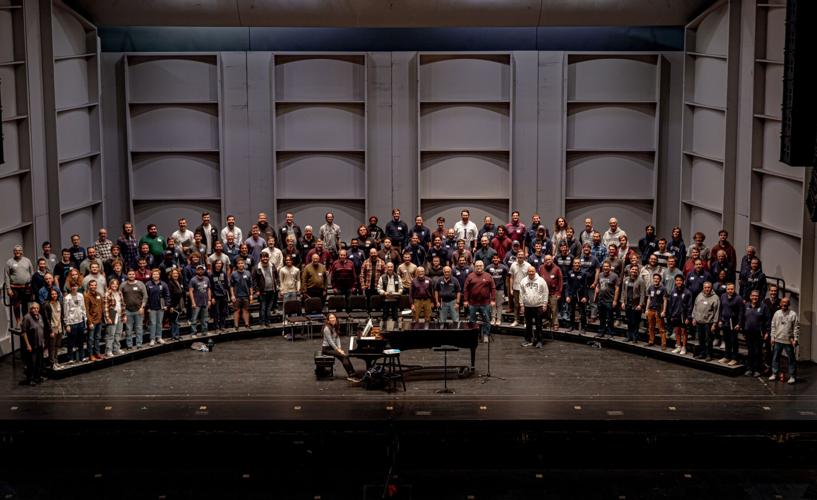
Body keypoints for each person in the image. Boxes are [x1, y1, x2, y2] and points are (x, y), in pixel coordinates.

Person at [463, 260, 496, 343]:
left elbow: (493, 288)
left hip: (485, 303)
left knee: (487, 319)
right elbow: (466, 289)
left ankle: (486, 335)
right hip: (473, 303)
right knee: (472, 320)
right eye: (477, 266)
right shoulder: (470, 276)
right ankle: (473, 335)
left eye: (480, 265)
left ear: (483, 266)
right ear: (474, 267)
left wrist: (493, 300)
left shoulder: (488, 276)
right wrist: (465, 300)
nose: (479, 267)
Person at [768, 297, 799, 384]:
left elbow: (796, 327)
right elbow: (773, 325)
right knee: (775, 358)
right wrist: (772, 337)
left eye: (786, 303)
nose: (784, 305)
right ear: (780, 304)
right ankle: (774, 373)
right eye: (783, 303)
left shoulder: (793, 314)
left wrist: (795, 339)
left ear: (788, 304)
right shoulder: (777, 313)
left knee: (791, 359)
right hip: (778, 339)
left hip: (788, 340)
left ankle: (792, 376)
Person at [322, 313, 359, 382]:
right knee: (343, 356)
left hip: (332, 348)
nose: (333, 319)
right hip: (326, 349)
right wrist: (338, 350)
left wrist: (339, 348)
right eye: (331, 318)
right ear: (328, 320)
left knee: (345, 356)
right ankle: (351, 375)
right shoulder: (326, 328)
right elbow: (330, 342)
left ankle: (353, 373)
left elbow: (337, 338)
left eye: (334, 317)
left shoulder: (335, 326)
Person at [4, 245, 34, 327]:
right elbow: (6, 276)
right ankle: (18, 321)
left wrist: (31, 284)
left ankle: (25, 321)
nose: (18, 252)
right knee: (16, 305)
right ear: (13, 252)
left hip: (26, 287)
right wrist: (8, 289)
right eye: (16, 250)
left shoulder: (27, 260)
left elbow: (32, 272)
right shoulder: (9, 262)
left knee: (25, 305)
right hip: (14, 288)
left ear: (22, 251)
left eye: (19, 250)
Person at [741, 290, 769, 377]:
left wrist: (767, 332)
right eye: (753, 296)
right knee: (750, 352)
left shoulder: (763, 306)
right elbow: (742, 318)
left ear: (759, 297)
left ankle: (757, 370)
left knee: (757, 352)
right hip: (748, 333)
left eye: (756, 296)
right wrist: (743, 331)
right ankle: (749, 369)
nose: (754, 297)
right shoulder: (746, 306)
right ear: (750, 297)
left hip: (759, 334)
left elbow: (767, 320)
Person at [519, 266, 548, 348]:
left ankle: (539, 341)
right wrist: (521, 305)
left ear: (535, 271)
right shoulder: (523, 281)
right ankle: (528, 340)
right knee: (528, 324)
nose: (531, 273)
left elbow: (545, 292)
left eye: (532, 271)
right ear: (527, 272)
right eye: (529, 271)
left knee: (539, 325)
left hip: (538, 305)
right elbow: (521, 294)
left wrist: (545, 303)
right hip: (527, 306)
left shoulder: (541, 280)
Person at [18, 303, 46, 385]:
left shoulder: (40, 316)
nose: (35, 310)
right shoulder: (27, 318)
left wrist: (43, 341)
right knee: (31, 363)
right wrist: (27, 345)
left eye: (37, 308)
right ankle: (30, 379)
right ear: (30, 309)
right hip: (31, 345)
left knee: (39, 362)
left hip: (39, 344)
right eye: (33, 308)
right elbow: (23, 332)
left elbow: (42, 329)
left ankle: (37, 377)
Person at [692, 282, 720, 361]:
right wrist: (694, 318)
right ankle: (702, 353)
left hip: (708, 323)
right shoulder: (699, 295)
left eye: (708, 287)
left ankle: (709, 355)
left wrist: (714, 323)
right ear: (703, 288)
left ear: (711, 288)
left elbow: (716, 312)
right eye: (705, 287)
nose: (707, 289)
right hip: (699, 321)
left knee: (708, 340)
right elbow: (695, 307)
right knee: (701, 339)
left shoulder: (715, 298)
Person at [718, 283, 744, 366]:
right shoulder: (723, 296)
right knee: (726, 340)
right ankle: (727, 357)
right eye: (728, 289)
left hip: (734, 323)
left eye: (732, 289)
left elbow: (741, 312)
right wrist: (720, 320)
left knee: (734, 341)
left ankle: (735, 358)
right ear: (726, 289)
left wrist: (739, 324)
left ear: (734, 289)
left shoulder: (738, 298)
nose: (730, 291)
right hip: (725, 322)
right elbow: (721, 308)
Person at [121, 269, 147, 349]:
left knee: (139, 328)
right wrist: (123, 310)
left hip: (139, 310)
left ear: (135, 275)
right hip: (128, 311)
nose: (131, 276)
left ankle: (139, 344)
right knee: (128, 329)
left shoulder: (140, 284)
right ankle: (129, 345)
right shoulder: (123, 285)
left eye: (133, 274)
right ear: (127, 275)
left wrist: (142, 307)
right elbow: (120, 297)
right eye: (129, 274)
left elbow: (145, 297)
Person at [668, 275, 693, 355]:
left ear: (683, 281)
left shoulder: (687, 292)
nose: (678, 282)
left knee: (684, 332)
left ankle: (684, 347)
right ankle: (678, 346)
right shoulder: (673, 291)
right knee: (677, 331)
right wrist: (671, 315)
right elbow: (671, 304)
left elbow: (690, 306)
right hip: (675, 315)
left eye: (680, 280)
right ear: (675, 281)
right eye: (677, 280)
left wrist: (688, 317)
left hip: (684, 316)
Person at [593, 261, 619, 337]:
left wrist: (615, 300)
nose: (605, 268)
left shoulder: (614, 276)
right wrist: (595, 297)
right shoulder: (600, 275)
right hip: (601, 299)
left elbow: (617, 288)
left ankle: (610, 332)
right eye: (604, 266)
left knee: (610, 318)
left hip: (609, 300)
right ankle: (601, 331)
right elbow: (598, 286)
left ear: (610, 268)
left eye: (607, 266)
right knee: (601, 317)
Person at [63, 282, 87, 363]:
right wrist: (67, 324)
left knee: (81, 341)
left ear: (78, 287)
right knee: (71, 342)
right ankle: (70, 358)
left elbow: (83, 308)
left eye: (75, 286)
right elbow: (66, 312)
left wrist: (85, 320)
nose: (74, 288)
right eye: (72, 286)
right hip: (72, 323)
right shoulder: (67, 298)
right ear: (70, 288)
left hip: (80, 321)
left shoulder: (80, 295)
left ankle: (82, 357)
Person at [620, 265, 645, 343]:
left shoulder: (640, 281)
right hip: (628, 303)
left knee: (635, 322)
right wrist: (623, 302)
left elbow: (642, 294)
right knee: (629, 321)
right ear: (630, 270)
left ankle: (635, 337)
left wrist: (640, 305)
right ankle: (629, 337)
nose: (634, 270)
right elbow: (623, 291)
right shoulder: (626, 279)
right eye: (632, 269)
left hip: (636, 304)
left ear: (638, 271)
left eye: (635, 269)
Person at [145, 269, 170, 345]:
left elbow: (167, 295)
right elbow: (146, 297)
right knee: (152, 323)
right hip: (151, 308)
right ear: (152, 275)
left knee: (159, 323)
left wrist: (166, 305)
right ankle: (152, 339)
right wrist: (148, 307)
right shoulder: (148, 284)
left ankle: (159, 337)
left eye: (157, 274)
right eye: (154, 274)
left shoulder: (163, 284)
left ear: (159, 275)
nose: (156, 276)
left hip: (161, 307)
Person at [254, 252, 279, 327]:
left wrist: (277, 285)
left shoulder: (272, 266)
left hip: (272, 290)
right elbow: (254, 280)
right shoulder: (257, 268)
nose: (265, 258)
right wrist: (257, 290)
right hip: (262, 291)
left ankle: (268, 322)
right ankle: (261, 323)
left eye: (266, 257)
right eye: (263, 257)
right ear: (260, 258)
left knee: (269, 308)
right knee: (263, 308)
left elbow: (276, 277)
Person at [539, 255, 563, 331]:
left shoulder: (557, 269)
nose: (548, 261)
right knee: (544, 309)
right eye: (546, 260)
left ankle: (555, 324)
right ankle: (547, 322)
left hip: (553, 293)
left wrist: (559, 293)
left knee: (554, 309)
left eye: (549, 259)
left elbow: (561, 281)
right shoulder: (541, 268)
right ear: (544, 261)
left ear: (552, 260)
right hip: (543, 293)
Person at [508, 251, 532, 327]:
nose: (520, 256)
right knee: (516, 305)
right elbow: (511, 278)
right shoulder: (513, 265)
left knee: (526, 305)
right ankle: (516, 320)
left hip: (525, 289)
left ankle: (526, 321)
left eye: (522, 255)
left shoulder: (528, 265)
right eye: (519, 255)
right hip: (516, 288)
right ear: (516, 256)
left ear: (524, 256)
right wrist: (511, 288)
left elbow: (530, 277)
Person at [564, 259, 588, 333]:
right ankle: (572, 326)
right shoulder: (569, 273)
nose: (576, 264)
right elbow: (568, 285)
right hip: (572, 294)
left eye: (578, 263)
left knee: (583, 312)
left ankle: (583, 328)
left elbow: (585, 286)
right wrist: (567, 296)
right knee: (571, 312)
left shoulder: (583, 273)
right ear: (573, 264)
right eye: (575, 263)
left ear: (580, 264)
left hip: (581, 295)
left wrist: (585, 296)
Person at [645, 273, 668, 349]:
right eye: (655, 278)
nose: (656, 280)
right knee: (651, 327)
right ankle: (651, 341)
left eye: (657, 279)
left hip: (659, 310)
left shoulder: (663, 288)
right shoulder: (650, 287)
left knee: (661, 328)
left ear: (660, 280)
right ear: (653, 279)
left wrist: (664, 311)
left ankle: (663, 344)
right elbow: (648, 299)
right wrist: (646, 309)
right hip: (651, 309)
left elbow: (665, 300)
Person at [188, 264, 212, 336]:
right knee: (194, 319)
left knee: (205, 319)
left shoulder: (207, 279)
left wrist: (209, 300)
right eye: (199, 269)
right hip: (196, 302)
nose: (200, 271)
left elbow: (209, 290)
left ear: (204, 270)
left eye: (202, 269)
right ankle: (193, 333)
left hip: (205, 302)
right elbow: (190, 292)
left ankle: (204, 332)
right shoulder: (193, 280)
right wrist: (193, 302)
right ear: (196, 271)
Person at [103, 278, 125, 356]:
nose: (114, 285)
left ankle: (116, 349)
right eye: (113, 284)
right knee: (110, 334)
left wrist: (124, 315)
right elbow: (105, 307)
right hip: (112, 316)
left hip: (120, 315)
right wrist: (107, 318)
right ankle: (108, 350)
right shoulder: (107, 293)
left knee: (118, 333)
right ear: (110, 285)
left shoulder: (119, 293)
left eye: (116, 284)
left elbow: (123, 304)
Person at [84, 279, 104, 360]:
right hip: (92, 322)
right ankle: (90, 355)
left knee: (97, 338)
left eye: (95, 285)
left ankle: (97, 353)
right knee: (90, 339)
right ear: (89, 286)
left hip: (99, 321)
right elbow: (86, 310)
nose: (93, 287)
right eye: (91, 285)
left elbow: (101, 307)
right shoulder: (87, 296)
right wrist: (90, 322)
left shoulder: (99, 294)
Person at [377, 262, 402, 327]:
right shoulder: (382, 277)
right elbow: (379, 288)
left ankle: (395, 331)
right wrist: (384, 293)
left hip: (395, 300)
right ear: (386, 268)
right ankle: (384, 330)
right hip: (386, 300)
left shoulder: (397, 277)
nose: (390, 268)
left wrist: (399, 292)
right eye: (388, 267)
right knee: (385, 317)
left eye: (391, 267)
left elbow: (401, 288)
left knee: (395, 317)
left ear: (393, 268)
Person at [485, 254, 508, 325]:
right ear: (492, 260)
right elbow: (486, 278)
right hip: (491, 289)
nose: (495, 259)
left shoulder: (504, 267)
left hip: (500, 288)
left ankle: (498, 319)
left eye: (497, 258)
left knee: (499, 304)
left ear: (499, 259)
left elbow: (505, 279)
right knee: (492, 304)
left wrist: (505, 291)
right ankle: (493, 318)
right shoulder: (488, 267)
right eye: (494, 258)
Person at [231, 258, 254, 330]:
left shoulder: (248, 273)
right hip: (237, 295)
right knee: (236, 310)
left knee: (245, 310)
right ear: (237, 265)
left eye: (242, 263)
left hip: (246, 295)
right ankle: (236, 326)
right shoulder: (233, 274)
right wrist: (232, 295)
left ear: (244, 264)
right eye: (239, 263)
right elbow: (231, 285)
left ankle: (247, 324)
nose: (241, 265)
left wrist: (251, 295)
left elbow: (251, 285)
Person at [43, 287, 63, 368]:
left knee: (57, 346)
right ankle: (52, 363)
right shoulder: (47, 304)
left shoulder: (59, 303)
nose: (54, 295)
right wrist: (50, 330)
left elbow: (61, 315)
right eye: (52, 294)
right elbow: (46, 319)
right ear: (50, 295)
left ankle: (56, 361)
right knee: (51, 347)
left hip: (60, 327)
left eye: (55, 294)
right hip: (52, 328)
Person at [209, 259, 229, 331]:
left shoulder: (223, 273)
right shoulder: (211, 275)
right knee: (216, 313)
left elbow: (226, 285)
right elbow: (210, 287)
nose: (219, 265)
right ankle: (216, 327)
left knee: (223, 312)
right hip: (216, 296)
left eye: (220, 263)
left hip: (223, 296)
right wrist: (212, 297)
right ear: (214, 264)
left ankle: (222, 326)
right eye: (217, 263)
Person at [166, 269, 185, 341]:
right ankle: (174, 335)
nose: (175, 275)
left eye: (176, 273)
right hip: (174, 305)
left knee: (176, 320)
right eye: (174, 273)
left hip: (179, 303)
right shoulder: (170, 283)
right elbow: (169, 295)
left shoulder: (179, 282)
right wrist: (171, 306)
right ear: (171, 275)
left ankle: (177, 334)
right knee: (174, 321)